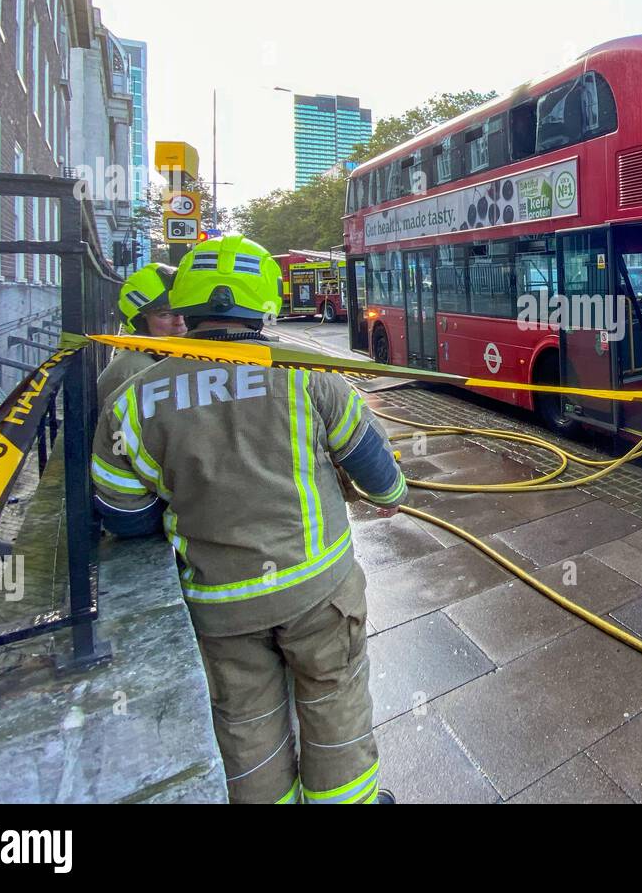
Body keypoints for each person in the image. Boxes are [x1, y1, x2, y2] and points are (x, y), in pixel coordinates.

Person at [90, 233, 407, 804]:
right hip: (318, 589)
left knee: (246, 726)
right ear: (266, 306)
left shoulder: (132, 401)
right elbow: (382, 479)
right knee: (334, 701)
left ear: (184, 307)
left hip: (219, 605)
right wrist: (392, 492)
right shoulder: (307, 374)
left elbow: (122, 515)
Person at [97, 263, 185, 405]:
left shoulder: (158, 360)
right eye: (165, 314)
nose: (180, 321)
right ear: (139, 323)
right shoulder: (136, 371)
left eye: (185, 311)